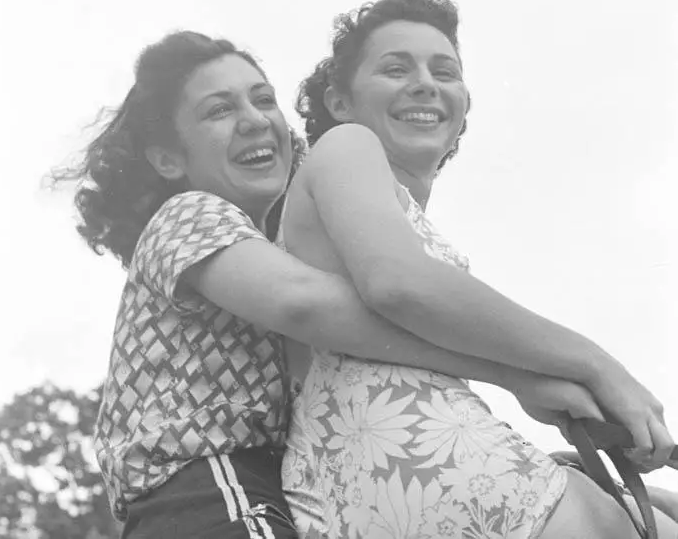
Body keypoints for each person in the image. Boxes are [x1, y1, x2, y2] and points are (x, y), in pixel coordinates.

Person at [55, 31, 614, 538]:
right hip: (206, 493)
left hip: (266, 492)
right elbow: (311, 308)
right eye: (219, 110)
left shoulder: (265, 248)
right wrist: (518, 370)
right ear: (167, 158)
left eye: (263, 98)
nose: (253, 119)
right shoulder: (187, 216)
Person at [279, 0, 677, 538]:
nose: (425, 83)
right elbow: (398, 285)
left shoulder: (394, 211)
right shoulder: (346, 145)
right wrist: (597, 364)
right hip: (419, 473)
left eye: (445, 70)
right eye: (396, 68)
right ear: (340, 103)